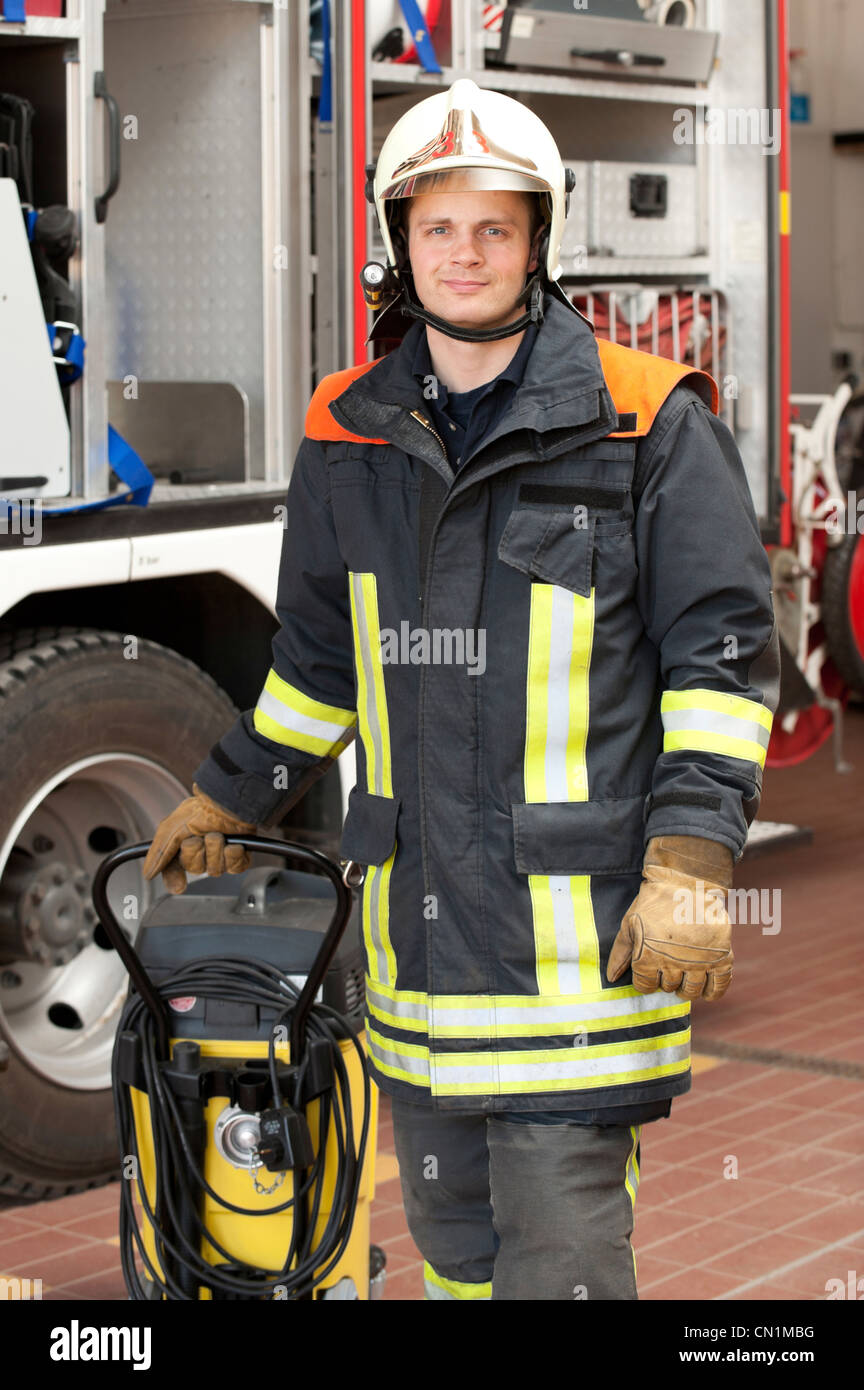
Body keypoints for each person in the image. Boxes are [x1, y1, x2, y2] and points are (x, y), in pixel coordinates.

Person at [143, 79, 780, 1300]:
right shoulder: (348, 430)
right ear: (401, 241)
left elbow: (722, 655)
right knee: (453, 1260)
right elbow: (320, 664)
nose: (465, 252)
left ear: (540, 238)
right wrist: (233, 793)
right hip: (419, 973)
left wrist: (693, 859)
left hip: (578, 958)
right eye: (438, 226)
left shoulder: (647, 420)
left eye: (495, 225)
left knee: (563, 1266)